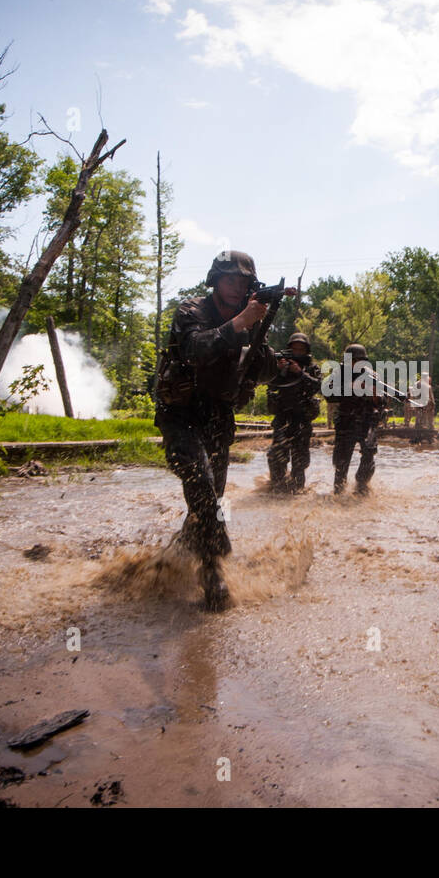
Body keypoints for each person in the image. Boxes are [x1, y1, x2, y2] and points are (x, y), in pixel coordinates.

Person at [154, 250, 285, 610]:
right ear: (215, 280)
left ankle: (181, 553)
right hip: (180, 413)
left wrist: (275, 360)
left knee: (210, 496)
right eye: (229, 279)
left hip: (218, 416)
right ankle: (213, 572)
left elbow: (259, 371)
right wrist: (242, 322)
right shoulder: (191, 310)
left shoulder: (253, 321)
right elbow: (195, 349)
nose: (236, 286)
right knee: (198, 478)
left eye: (243, 281)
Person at [266, 332, 323, 493]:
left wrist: (300, 372)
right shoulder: (280, 366)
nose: (297, 352)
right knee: (276, 456)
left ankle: (297, 492)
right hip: (283, 418)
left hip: (302, 419)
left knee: (300, 461)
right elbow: (269, 384)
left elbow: (317, 387)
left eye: (301, 349)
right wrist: (277, 370)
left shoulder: (312, 368)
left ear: (306, 351)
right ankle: (276, 489)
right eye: (294, 348)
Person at [331, 343, 386, 495]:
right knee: (341, 460)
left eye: (359, 360)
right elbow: (329, 395)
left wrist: (374, 395)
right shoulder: (338, 374)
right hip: (346, 421)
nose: (355, 363)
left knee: (369, 452)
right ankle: (339, 489)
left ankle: (361, 486)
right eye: (352, 360)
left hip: (367, 421)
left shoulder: (373, 376)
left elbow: (382, 401)